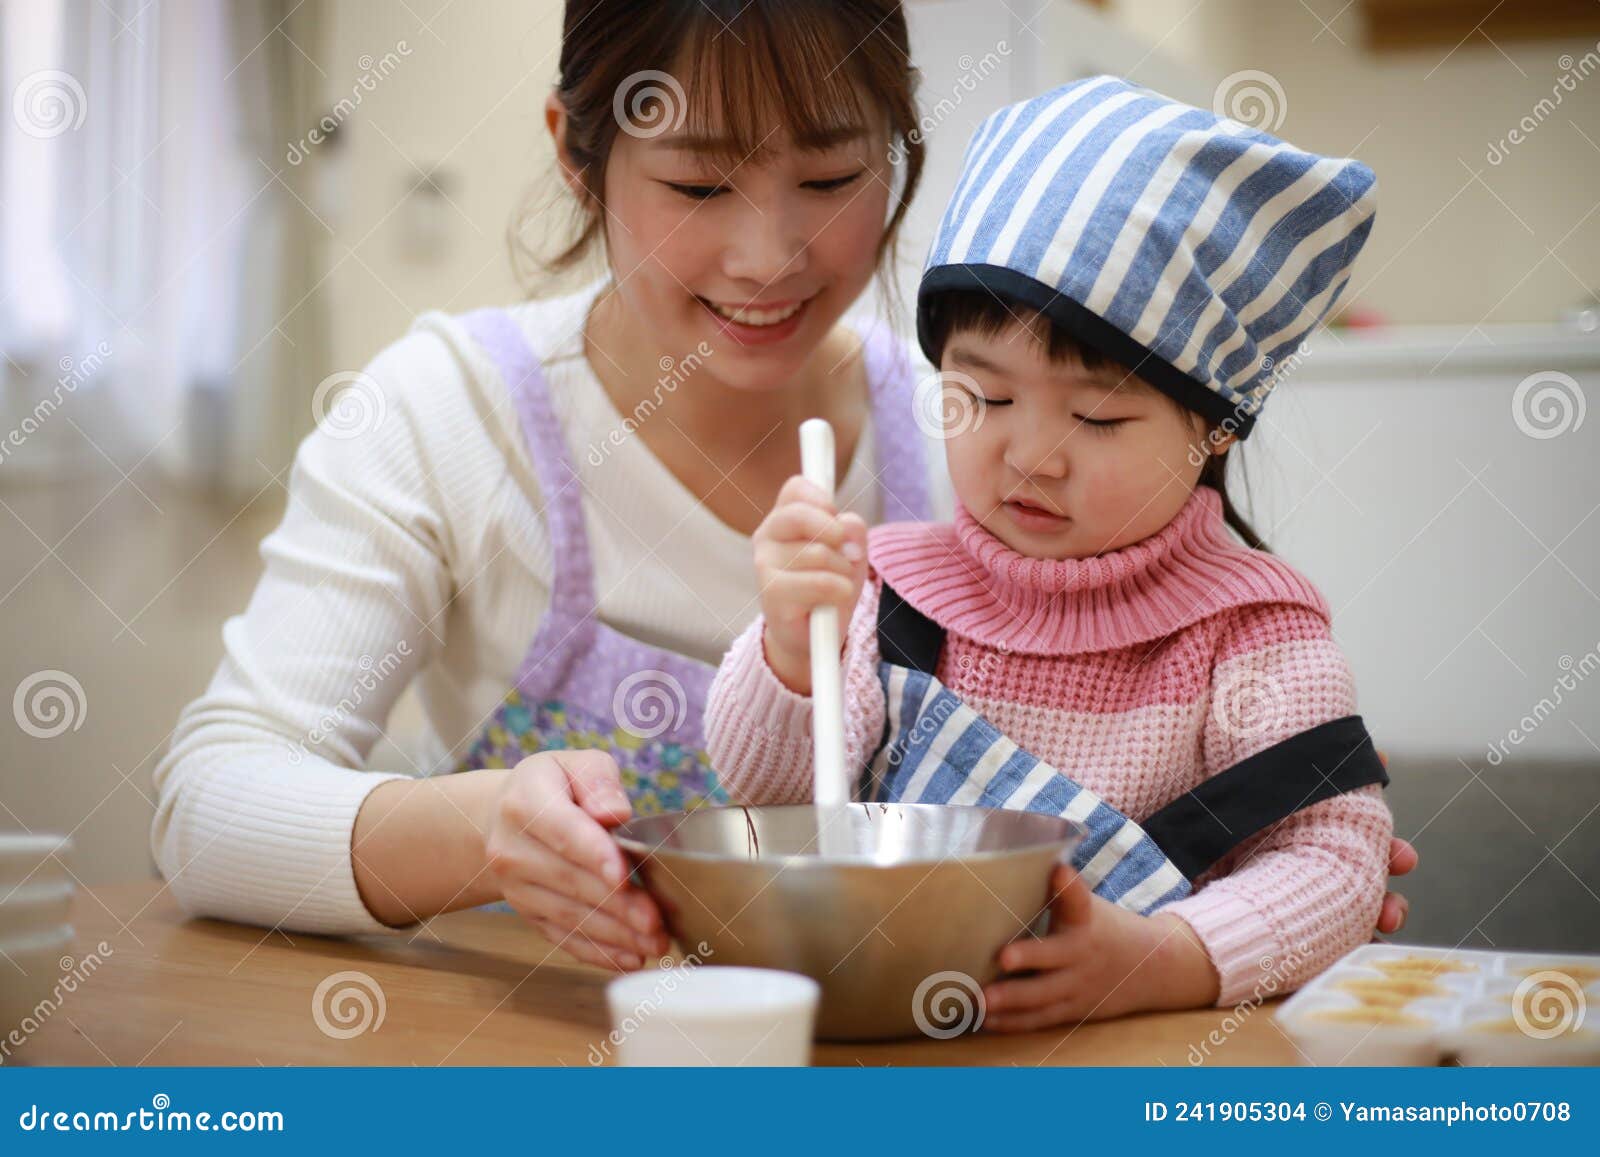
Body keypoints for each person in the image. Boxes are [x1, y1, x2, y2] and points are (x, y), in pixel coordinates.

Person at [151, 4, 1416, 975]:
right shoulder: (448, 416)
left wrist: (1225, 893)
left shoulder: (975, 424)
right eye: (698, 185)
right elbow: (208, 803)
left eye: (828, 179)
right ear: (579, 156)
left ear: (902, 152)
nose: (769, 258)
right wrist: (481, 830)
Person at [706, 76, 1394, 1027]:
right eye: (982, 398)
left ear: (1218, 425)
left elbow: (1333, 863)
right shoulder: (897, 590)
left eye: (1098, 414)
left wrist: (1164, 958)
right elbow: (773, 792)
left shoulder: (1249, 633)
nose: (1030, 456)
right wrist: (791, 647)